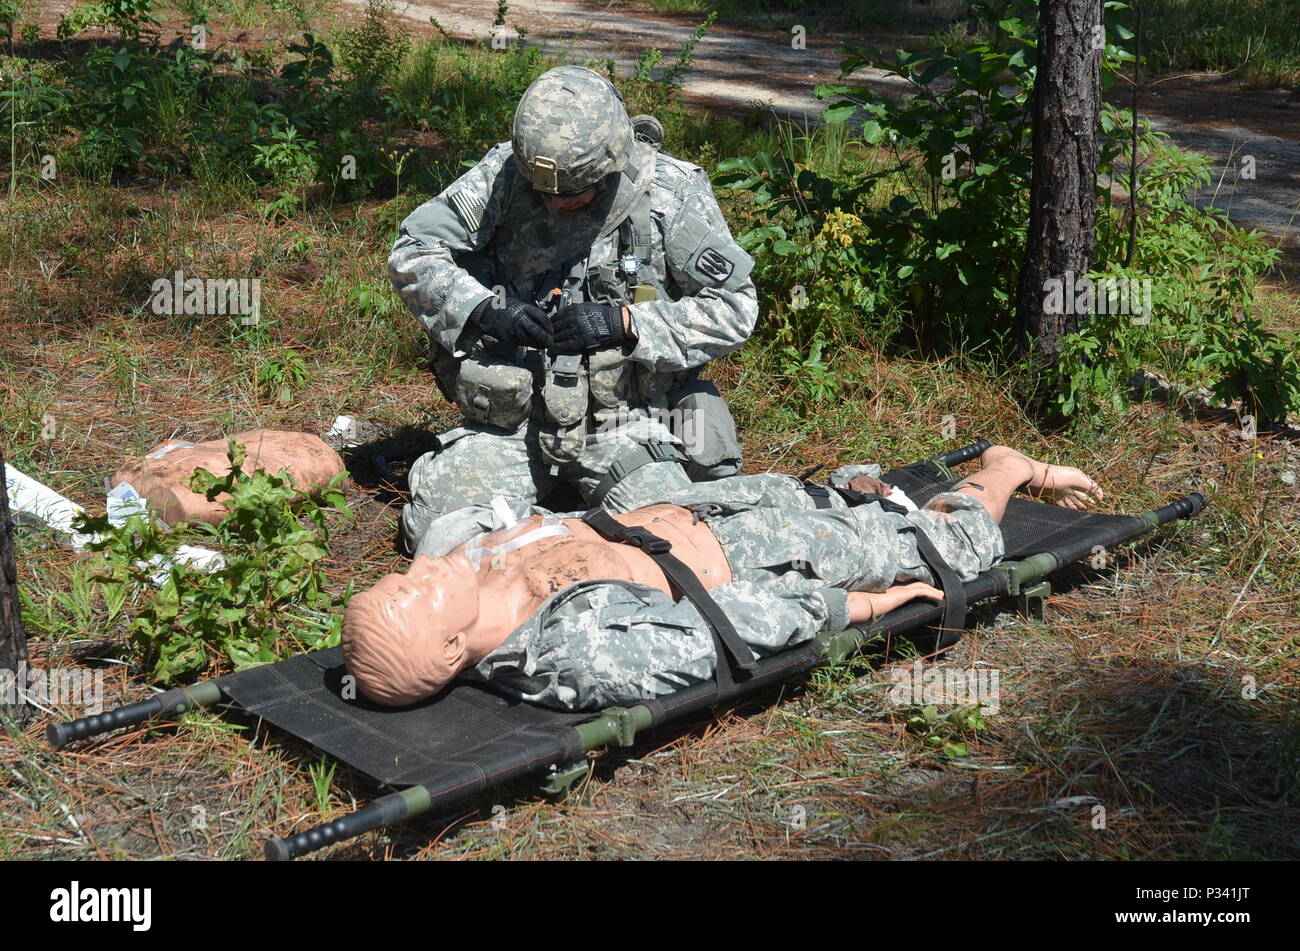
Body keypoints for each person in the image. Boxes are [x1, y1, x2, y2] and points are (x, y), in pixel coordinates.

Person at [341, 445, 1104, 711]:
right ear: (449, 652)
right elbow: (731, 626)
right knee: (963, 547)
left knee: (841, 502)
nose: (414, 572)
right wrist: (864, 604)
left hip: (700, 504)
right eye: (410, 593)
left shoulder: (456, 553)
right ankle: (1010, 467)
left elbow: (475, 519)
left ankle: (858, 495)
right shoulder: (578, 652)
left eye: (392, 580)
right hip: (762, 556)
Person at [388, 65, 758, 554]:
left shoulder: (671, 192)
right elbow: (413, 250)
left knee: (678, 547)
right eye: (543, 191)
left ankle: (563, 530)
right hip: (514, 422)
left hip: (623, 422)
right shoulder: (503, 174)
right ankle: (561, 525)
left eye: (571, 193)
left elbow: (734, 307)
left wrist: (624, 323)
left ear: (610, 165)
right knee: (438, 539)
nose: (555, 203)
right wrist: (482, 309)